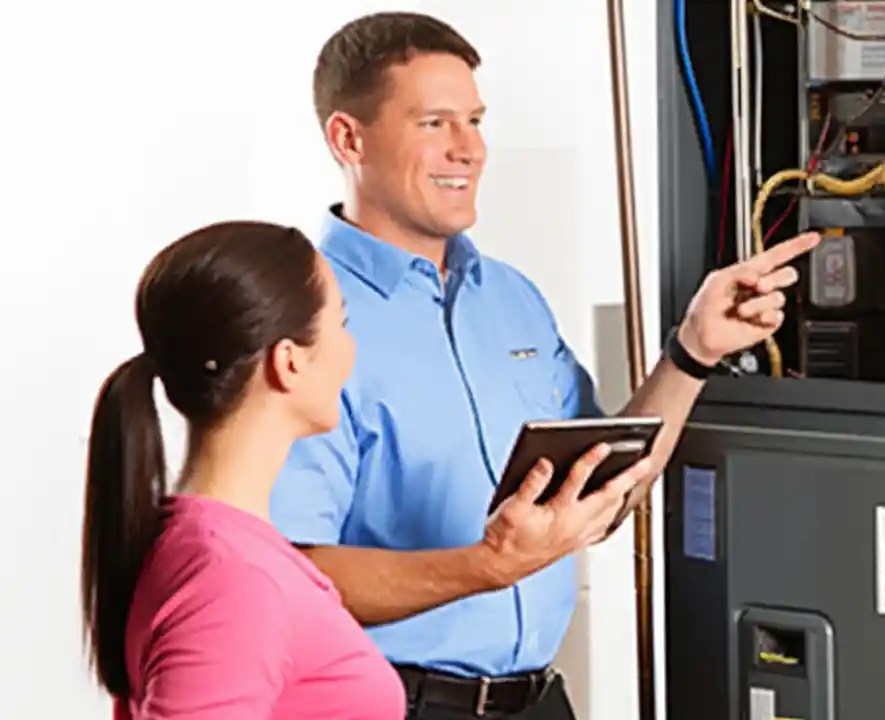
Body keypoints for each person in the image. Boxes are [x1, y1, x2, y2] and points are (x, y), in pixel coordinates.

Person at [270, 12, 819, 719]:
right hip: (391, 704)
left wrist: (692, 352)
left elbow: (600, 494)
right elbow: (286, 576)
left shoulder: (510, 298)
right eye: (435, 123)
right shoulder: (301, 317)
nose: (470, 149)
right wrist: (489, 566)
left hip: (539, 702)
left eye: (474, 120)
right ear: (348, 138)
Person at [81, 221, 422, 719]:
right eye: (342, 324)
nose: (352, 349)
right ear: (289, 363)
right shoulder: (232, 580)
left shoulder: (210, 547)